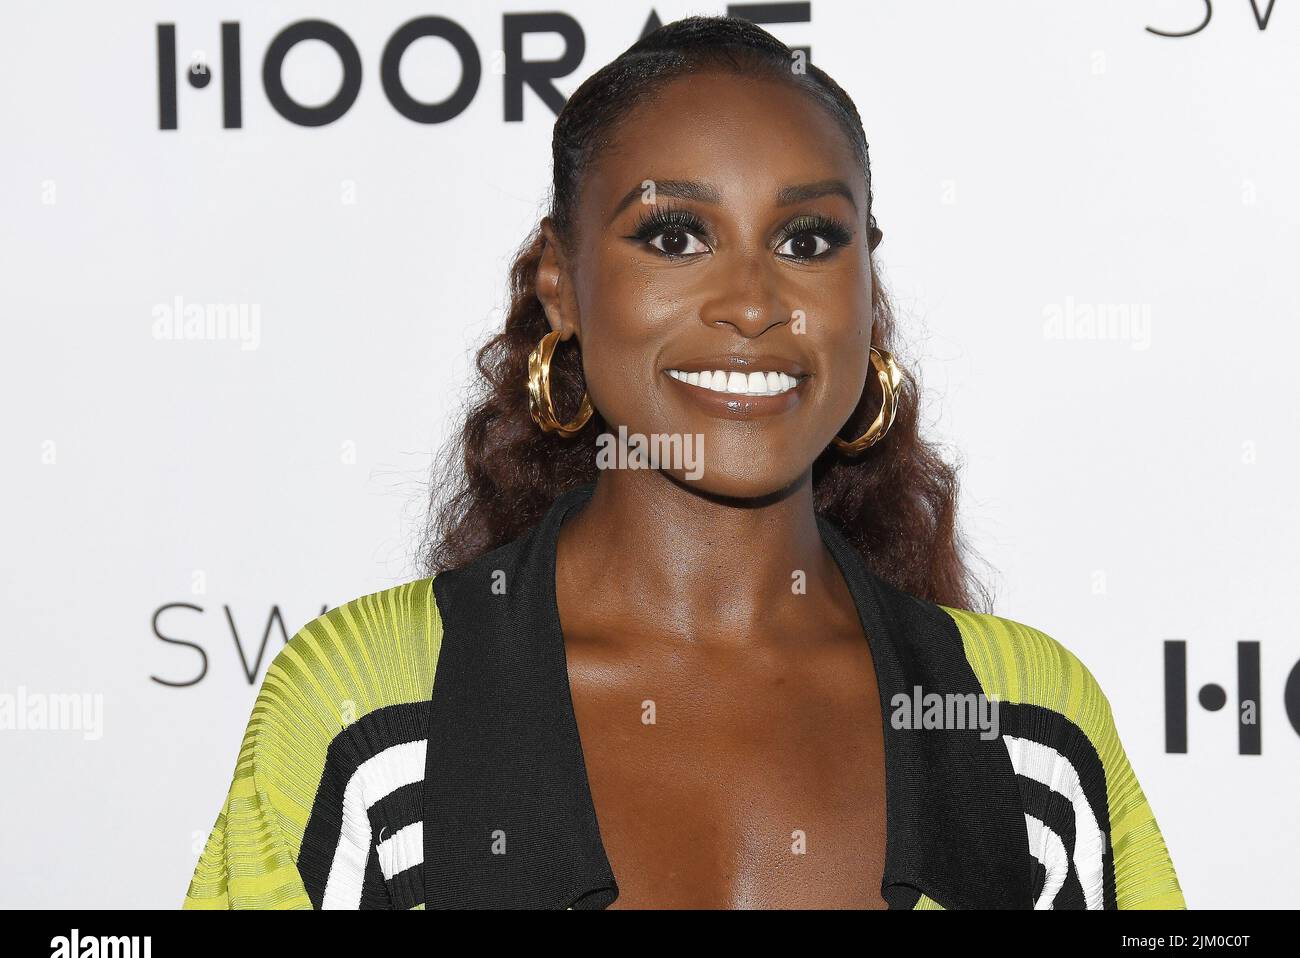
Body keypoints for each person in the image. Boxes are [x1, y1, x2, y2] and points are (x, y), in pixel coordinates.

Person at [184, 15, 1185, 910]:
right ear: (560, 286)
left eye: (806, 238)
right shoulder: (371, 720)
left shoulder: (1028, 735)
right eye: (674, 234)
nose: (751, 303)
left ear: (865, 288)